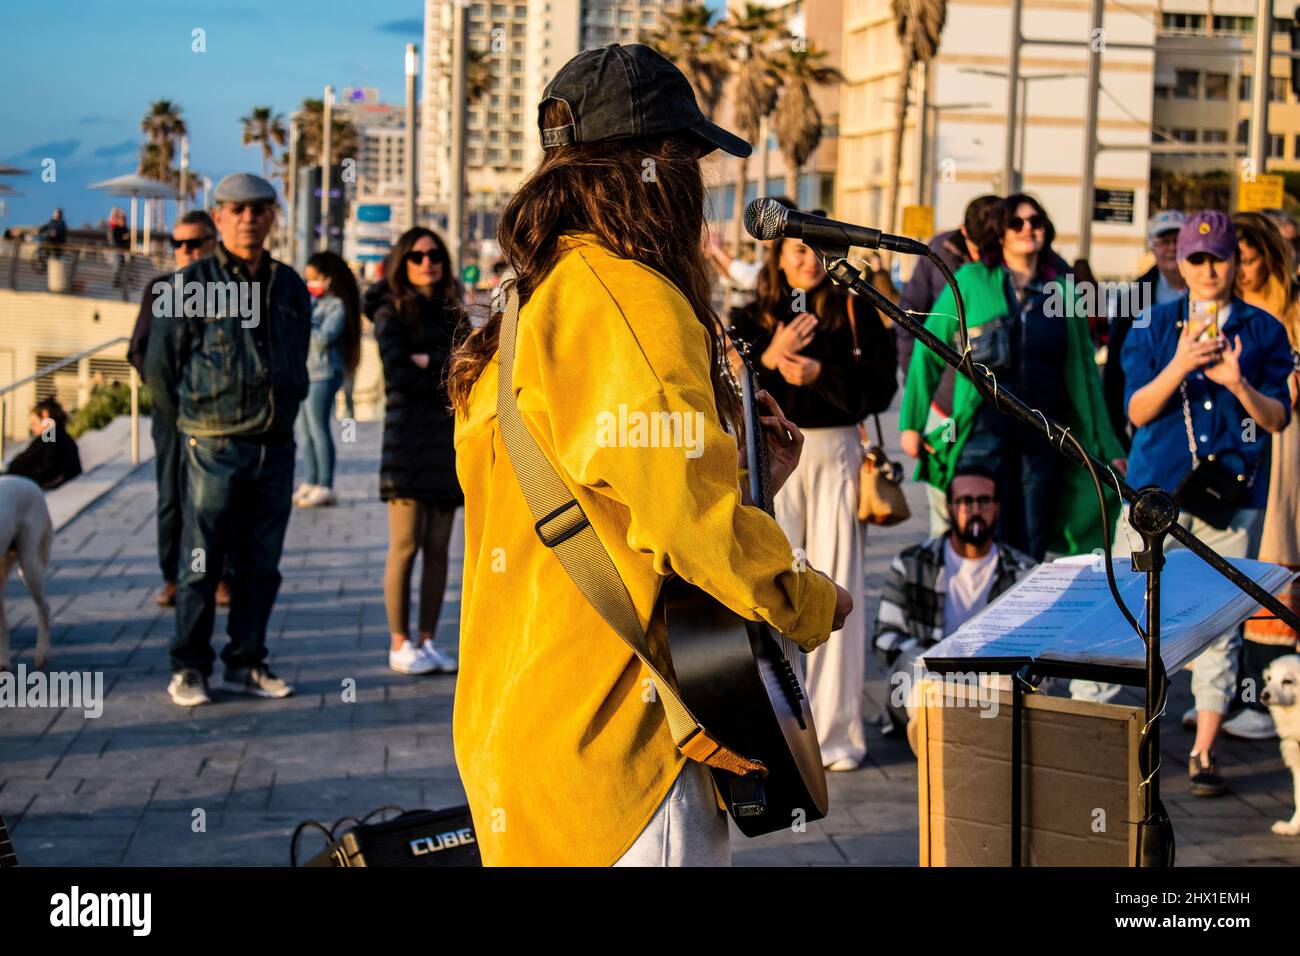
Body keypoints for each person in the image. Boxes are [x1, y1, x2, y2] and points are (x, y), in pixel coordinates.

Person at [446, 44, 850, 866]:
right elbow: (690, 532)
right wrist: (809, 600)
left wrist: (741, 480)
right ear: (656, 169)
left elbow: (604, 498)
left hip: (520, 739)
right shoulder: (630, 297)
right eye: (690, 161)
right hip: (618, 750)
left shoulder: (529, 304)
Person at [1073, 210, 1292, 797]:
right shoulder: (1152, 321)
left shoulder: (1265, 330)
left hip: (1232, 495)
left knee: (1221, 619)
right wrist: (1183, 364)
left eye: (1218, 257)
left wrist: (1238, 382)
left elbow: (1276, 418)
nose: (1207, 269)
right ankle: (1098, 731)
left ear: (1234, 261)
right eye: (1196, 259)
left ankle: (1202, 750)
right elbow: (1138, 411)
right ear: (1183, 264)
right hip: (1154, 492)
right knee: (1125, 607)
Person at [731, 208, 897, 773]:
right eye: (793, 248)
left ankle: (837, 732)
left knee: (838, 581)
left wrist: (819, 376)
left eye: (813, 248)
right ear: (777, 255)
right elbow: (721, 386)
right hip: (768, 456)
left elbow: (879, 389)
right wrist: (769, 361)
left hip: (835, 453)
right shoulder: (754, 315)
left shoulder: (855, 310)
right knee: (777, 585)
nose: (804, 258)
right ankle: (780, 728)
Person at [146, 173, 310, 708]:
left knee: (261, 564)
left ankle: (247, 660)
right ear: (217, 218)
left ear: (271, 217)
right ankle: (189, 666)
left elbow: (297, 355)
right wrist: (193, 429)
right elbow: (160, 372)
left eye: (259, 209)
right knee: (201, 561)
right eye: (236, 209)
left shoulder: (288, 285)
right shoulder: (187, 287)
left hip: (274, 445)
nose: (248, 218)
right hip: (212, 445)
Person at [900, 193, 1125, 561]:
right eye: (1016, 223)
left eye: (1035, 222)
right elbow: (928, 350)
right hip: (983, 434)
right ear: (999, 232)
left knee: (1030, 544)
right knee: (977, 537)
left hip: (1044, 436)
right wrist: (911, 425)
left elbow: (1085, 372)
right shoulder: (972, 280)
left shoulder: (1063, 291)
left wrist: (1110, 447)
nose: (1027, 229)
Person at [872, 465, 1035, 745]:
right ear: (948, 507)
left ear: (997, 507)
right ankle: (938, 751)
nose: (974, 510)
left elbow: (1036, 648)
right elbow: (884, 640)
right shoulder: (911, 563)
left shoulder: (1023, 573)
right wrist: (937, 658)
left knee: (1007, 681)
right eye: (965, 501)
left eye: (984, 501)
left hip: (990, 683)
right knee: (919, 670)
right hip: (930, 677)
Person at [373, 228, 464, 675]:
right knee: (405, 545)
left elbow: (469, 371)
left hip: (448, 444)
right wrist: (441, 365)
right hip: (406, 444)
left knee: (439, 548)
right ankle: (399, 642)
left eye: (434, 255)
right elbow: (399, 376)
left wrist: (431, 361)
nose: (427, 262)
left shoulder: (454, 312)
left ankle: (427, 641)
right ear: (401, 263)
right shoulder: (391, 312)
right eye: (416, 256)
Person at [1225, 211, 1300, 740]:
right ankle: (1231, 691)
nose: (1237, 270)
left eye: (1246, 260)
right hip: (1236, 448)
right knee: (1235, 560)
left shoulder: (1292, 312)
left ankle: (1264, 691)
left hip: (1284, 444)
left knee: (1274, 554)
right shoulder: (1227, 310)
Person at [127, 210, 219, 608]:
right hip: (171, 415)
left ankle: (219, 576)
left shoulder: (229, 290)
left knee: (218, 500)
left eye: (194, 243)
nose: (185, 251)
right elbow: (138, 349)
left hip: (218, 416)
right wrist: (168, 395)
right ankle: (172, 577)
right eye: (177, 244)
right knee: (171, 498)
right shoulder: (161, 289)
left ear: (213, 243)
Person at [896, 195, 1000, 535]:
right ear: (962, 232)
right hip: (944, 408)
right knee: (946, 512)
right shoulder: (937, 255)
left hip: (996, 410)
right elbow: (911, 324)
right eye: (975, 243)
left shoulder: (1010, 271)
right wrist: (919, 407)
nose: (978, 254)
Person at [1104, 210, 1186, 449]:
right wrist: (1118, 425)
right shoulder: (1135, 296)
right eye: (1164, 242)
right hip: (1150, 407)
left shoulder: (1208, 292)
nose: (1172, 248)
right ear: (1152, 247)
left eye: (1178, 241)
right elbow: (1115, 365)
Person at [294, 251, 361, 509]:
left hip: (324, 374)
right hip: (306, 371)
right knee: (305, 431)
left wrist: (305, 318)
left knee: (319, 429)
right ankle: (310, 481)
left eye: (314, 278)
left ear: (328, 279)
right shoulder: (315, 302)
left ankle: (325, 484)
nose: (310, 283)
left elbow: (323, 338)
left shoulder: (337, 305)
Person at [3, 400, 81, 490]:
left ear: (45, 415)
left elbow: (25, 461)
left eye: (34, 423)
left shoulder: (51, 436)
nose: (32, 429)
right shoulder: (63, 438)